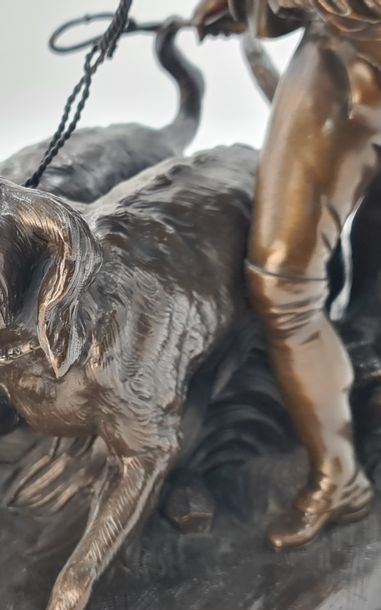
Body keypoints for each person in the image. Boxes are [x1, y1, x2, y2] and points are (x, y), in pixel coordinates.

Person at [192, 0, 379, 549]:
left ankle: (340, 464)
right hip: (350, 67)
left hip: (352, 67)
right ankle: (341, 455)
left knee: (286, 286)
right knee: (297, 278)